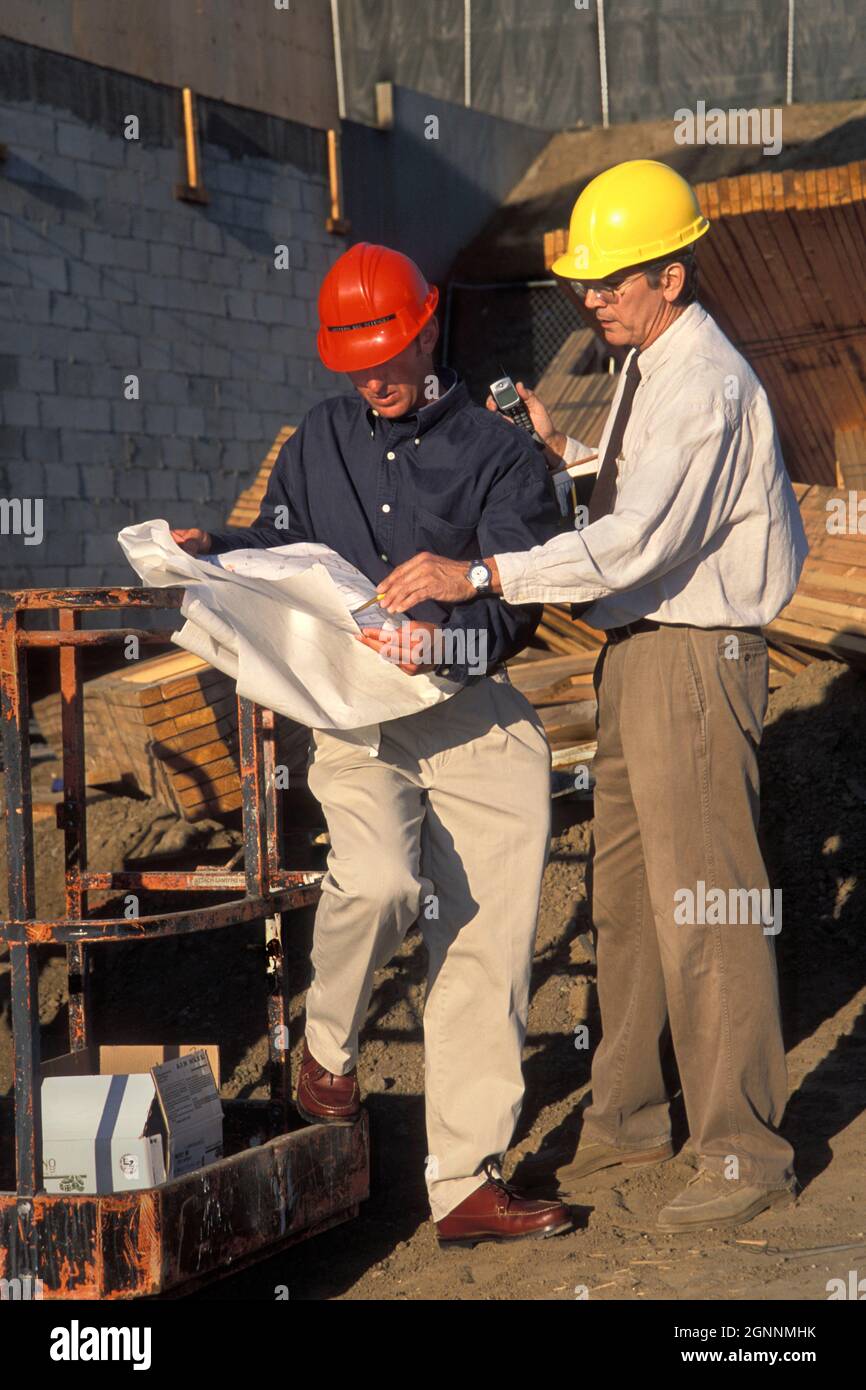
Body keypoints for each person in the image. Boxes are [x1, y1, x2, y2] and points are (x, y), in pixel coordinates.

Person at [376, 162, 809, 1233]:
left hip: (691, 659)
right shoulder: (645, 363)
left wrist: (478, 574)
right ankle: (626, 1114)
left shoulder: (703, 381)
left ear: (669, 274)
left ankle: (742, 1151)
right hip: (637, 659)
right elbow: (631, 500)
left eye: (609, 280)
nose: (589, 297)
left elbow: (636, 544)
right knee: (625, 901)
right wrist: (560, 456)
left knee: (707, 904)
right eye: (583, 280)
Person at [171, 242, 572, 1247]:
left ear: (427, 325)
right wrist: (211, 553)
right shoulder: (317, 438)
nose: (375, 380)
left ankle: (465, 1185)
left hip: (471, 704)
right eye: (355, 364)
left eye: (387, 355)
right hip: (354, 710)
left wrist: (449, 628)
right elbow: (279, 542)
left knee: (483, 945)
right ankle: (326, 1050)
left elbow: (521, 602)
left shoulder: (497, 449)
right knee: (382, 879)